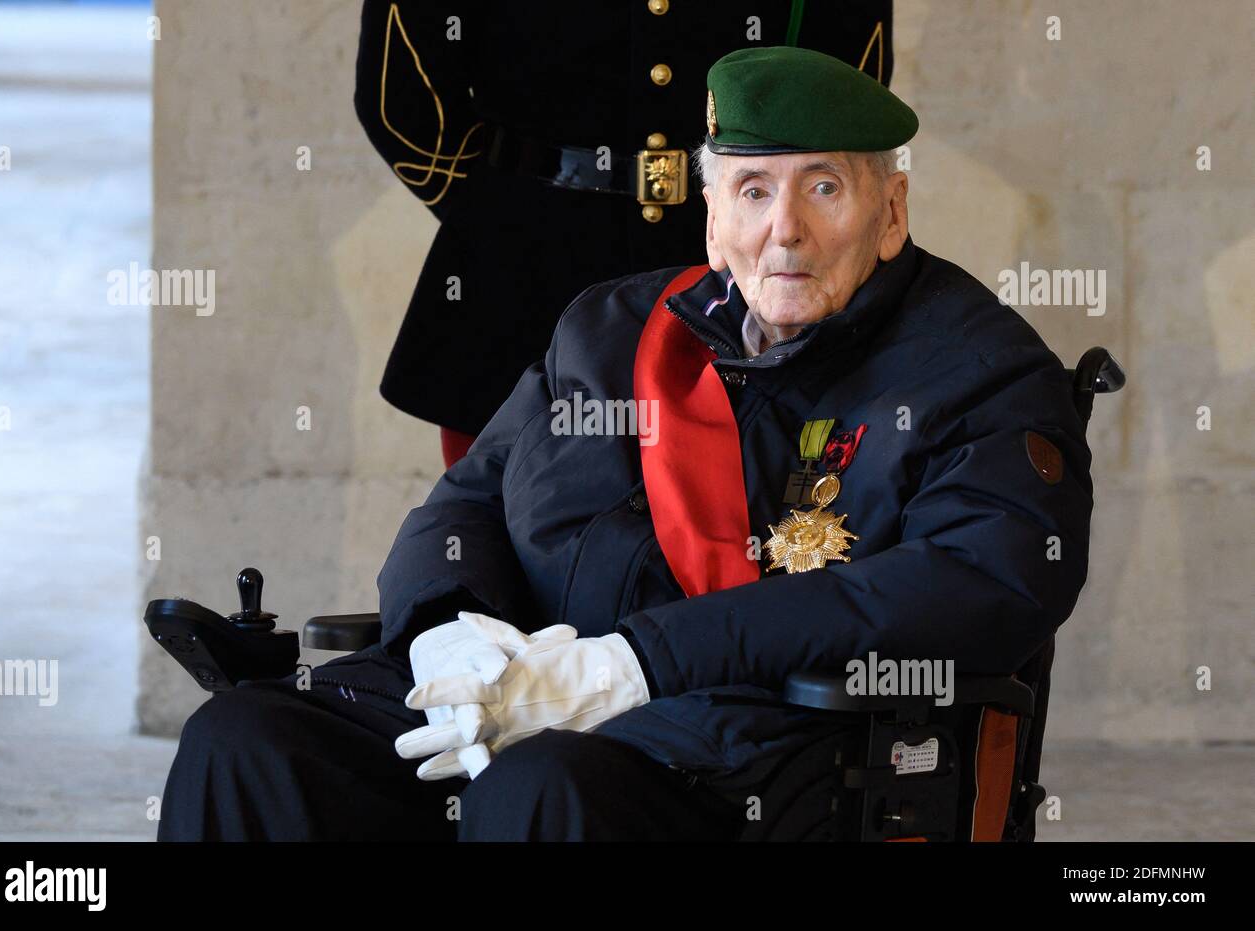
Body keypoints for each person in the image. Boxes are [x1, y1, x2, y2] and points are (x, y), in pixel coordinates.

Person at [158, 46, 1093, 842]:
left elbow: (986, 581)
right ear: (713, 218)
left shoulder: (979, 369)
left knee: (536, 791)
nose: (786, 230)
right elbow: (464, 506)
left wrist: (630, 664)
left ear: (891, 213)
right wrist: (448, 625)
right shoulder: (612, 329)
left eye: (824, 186)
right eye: (754, 189)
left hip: (768, 749)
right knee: (246, 741)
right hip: (526, 695)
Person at [353, 0, 895, 466]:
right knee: (497, 552)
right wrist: (497, 219)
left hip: (736, 287)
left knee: (743, 552)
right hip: (521, 290)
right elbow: (404, 103)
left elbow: (844, 99)